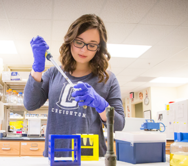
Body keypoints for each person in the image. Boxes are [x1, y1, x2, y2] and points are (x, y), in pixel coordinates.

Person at [24, 14, 125, 157]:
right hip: (56, 156)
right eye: (79, 42)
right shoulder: (54, 73)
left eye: (92, 45)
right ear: (70, 41)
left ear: (98, 48)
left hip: (90, 157)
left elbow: (119, 125)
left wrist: (101, 104)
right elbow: (30, 104)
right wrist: (37, 67)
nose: (84, 50)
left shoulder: (108, 79)